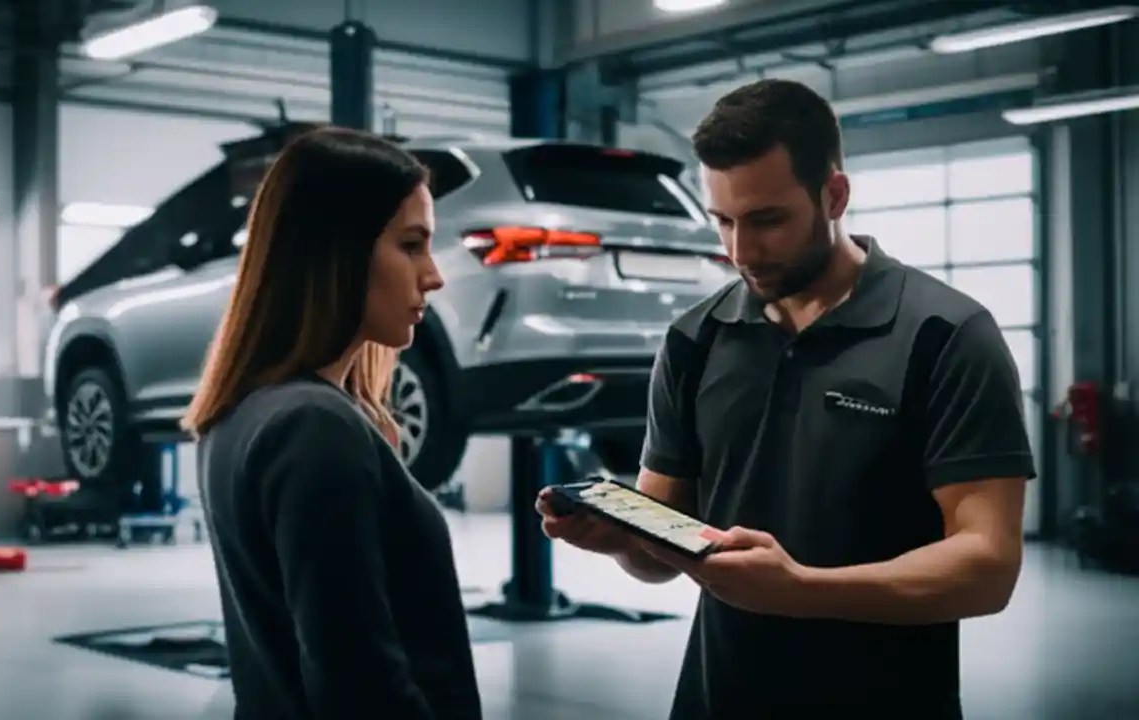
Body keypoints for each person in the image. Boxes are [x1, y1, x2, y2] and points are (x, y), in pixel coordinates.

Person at [537, 78, 1034, 718]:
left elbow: (988, 566)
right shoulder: (695, 340)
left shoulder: (946, 336)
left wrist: (802, 590)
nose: (741, 251)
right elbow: (661, 557)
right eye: (724, 222)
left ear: (834, 195)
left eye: (767, 220)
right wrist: (620, 540)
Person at [181, 126, 482, 720]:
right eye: (411, 245)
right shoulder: (314, 428)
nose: (434, 274)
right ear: (338, 251)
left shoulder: (241, 414)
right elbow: (361, 688)